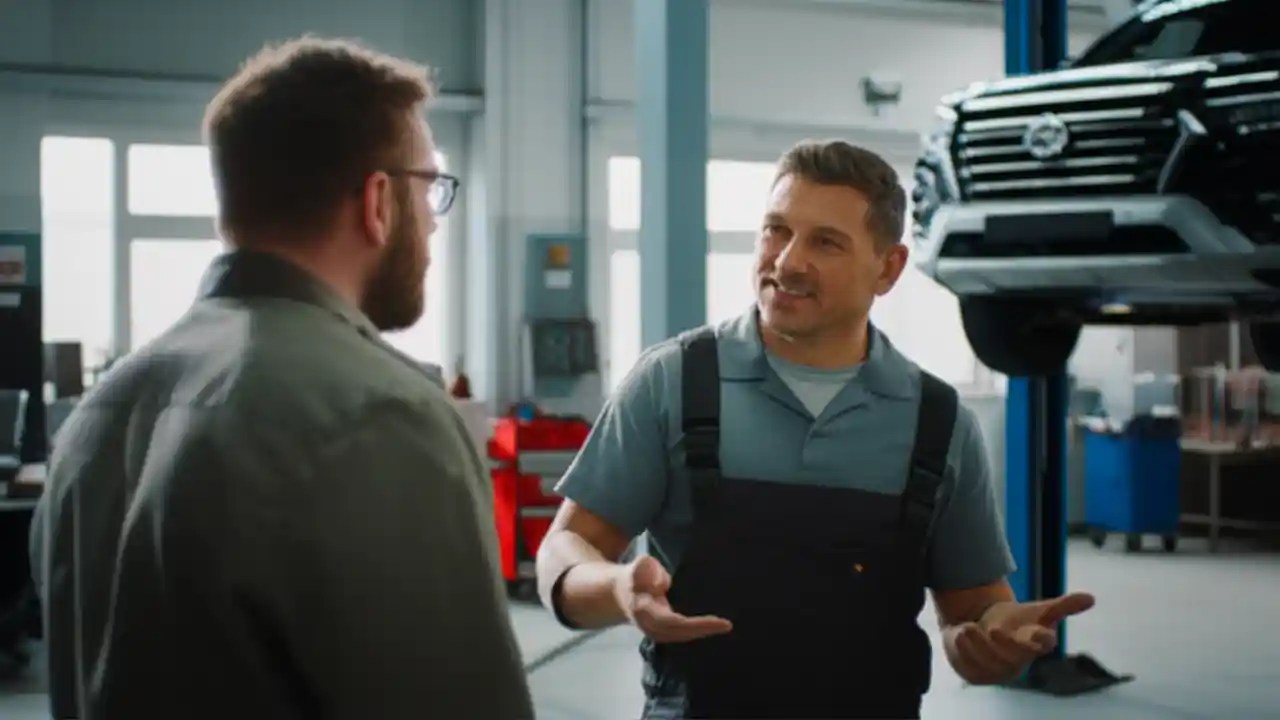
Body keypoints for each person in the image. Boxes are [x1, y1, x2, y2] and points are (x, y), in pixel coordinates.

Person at [29, 37, 533, 720]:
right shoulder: (380, 412)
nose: (433, 226)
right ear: (378, 200)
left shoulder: (103, 410)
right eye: (428, 187)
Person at [536, 140, 1096, 719]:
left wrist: (993, 641)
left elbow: (971, 612)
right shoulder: (672, 383)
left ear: (889, 268)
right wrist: (617, 589)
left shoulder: (938, 420)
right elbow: (564, 550)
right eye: (776, 230)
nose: (786, 262)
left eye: (825, 242)